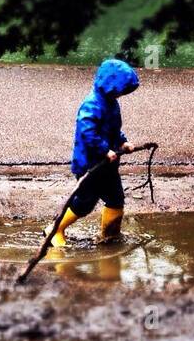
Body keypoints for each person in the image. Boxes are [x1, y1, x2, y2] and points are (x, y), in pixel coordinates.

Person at [46, 58, 140, 246]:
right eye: (120, 89)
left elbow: (114, 129)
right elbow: (87, 132)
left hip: (109, 164)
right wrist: (104, 149)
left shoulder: (112, 103)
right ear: (110, 84)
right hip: (90, 164)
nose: (121, 94)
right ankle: (55, 229)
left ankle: (109, 234)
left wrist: (123, 142)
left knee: (115, 198)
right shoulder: (92, 104)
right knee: (85, 203)